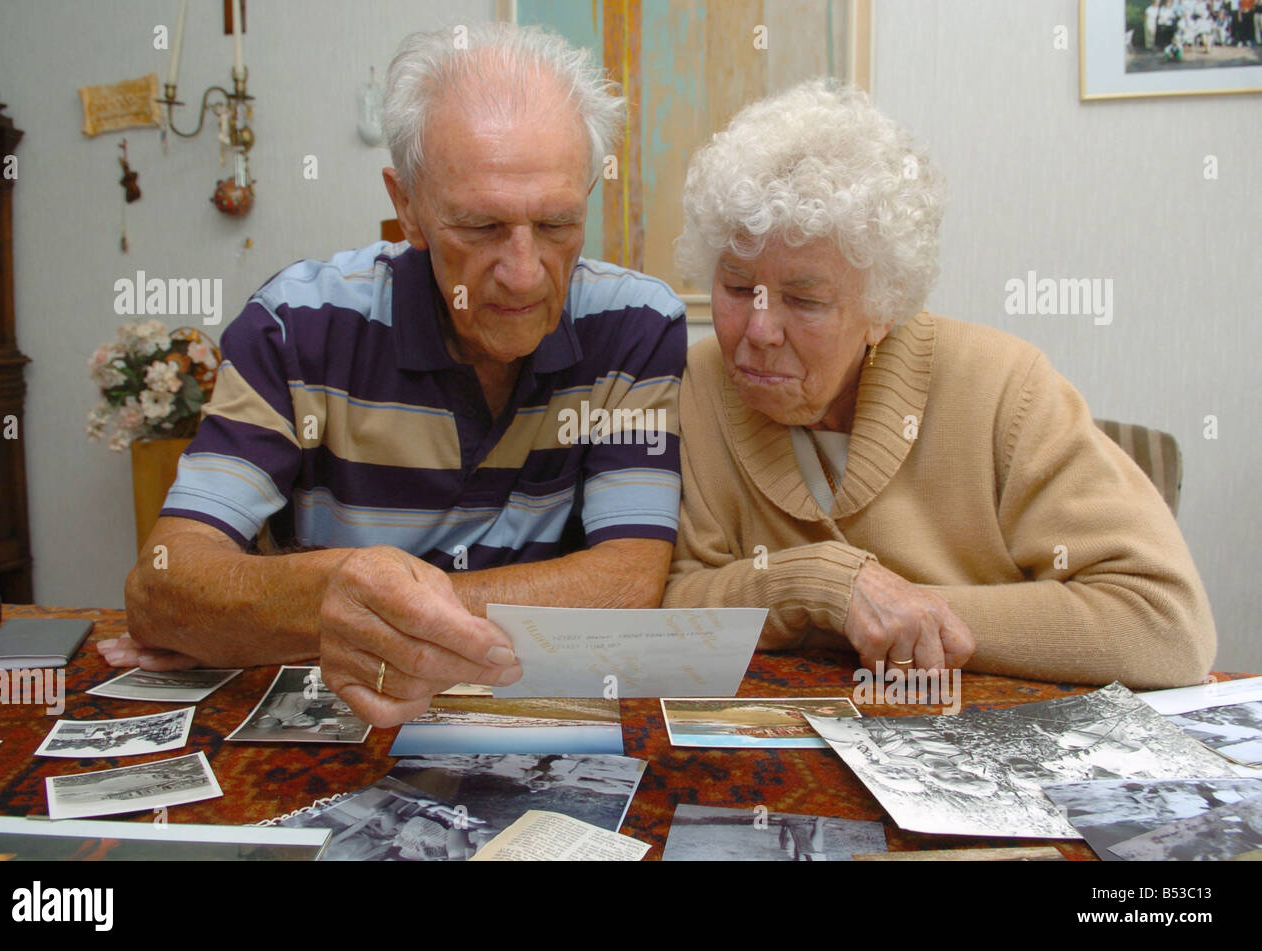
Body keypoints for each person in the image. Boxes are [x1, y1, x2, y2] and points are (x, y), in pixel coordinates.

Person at [104, 22, 686, 727]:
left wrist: (335, 614)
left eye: (558, 224)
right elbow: (163, 587)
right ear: (406, 203)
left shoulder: (634, 324)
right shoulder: (296, 324)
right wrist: (329, 592)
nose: (525, 273)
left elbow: (626, 583)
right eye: (481, 227)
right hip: (348, 723)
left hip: (529, 721)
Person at [662, 80, 1216, 689]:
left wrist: (905, 614)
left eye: (805, 299)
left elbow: (1165, 625)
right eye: (738, 288)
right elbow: (675, 605)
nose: (760, 329)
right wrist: (820, 586)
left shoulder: (1006, 388)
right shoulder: (701, 383)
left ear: (884, 306)